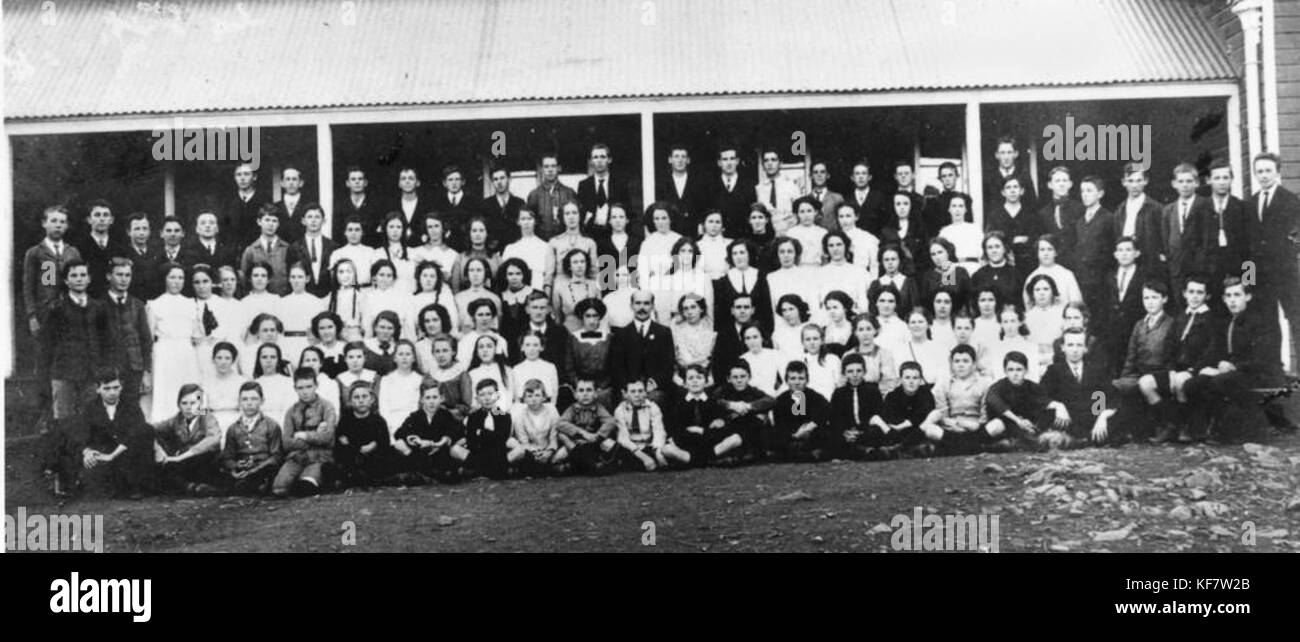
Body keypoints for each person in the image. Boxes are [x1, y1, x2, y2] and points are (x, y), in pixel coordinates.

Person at [1186, 278, 1297, 444]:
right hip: (1234, 373)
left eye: (1237, 295)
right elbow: (1214, 352)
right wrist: (1198, 369)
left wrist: (1232, 367)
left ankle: (1235, 430)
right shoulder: (1225, 323)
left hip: (1260, 373)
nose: (1232, 300)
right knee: (1194, 383)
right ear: (1223, 299)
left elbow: (1263, 358)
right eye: (1228, 296)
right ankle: (1207, 429)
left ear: (1248, 297)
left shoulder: (1260, 322)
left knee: (1222, 381)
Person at [1150, 274, 1222, 443]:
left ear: (1207, 296)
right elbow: (1169, 347)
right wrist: (1171, 369)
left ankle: (1183, 427)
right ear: (1184, 293)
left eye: (1199, 292)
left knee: (1181, 382)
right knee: (1146, 383)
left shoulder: (1211, 319)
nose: (1195, 296)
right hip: (1176, 368)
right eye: (1191, 292)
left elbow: (1211, 351)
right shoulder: (1180, 318)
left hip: (1196, 369)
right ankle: (1171, 423)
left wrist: (1192, 369)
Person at [1245, 152, 1300, 369]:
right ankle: (1273, 368)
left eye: (1268, 171)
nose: (1264, 175)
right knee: (1265, 322)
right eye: (1260, 171)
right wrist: (1248, 277)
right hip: (1260, 275)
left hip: (1285, 272)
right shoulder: (1250, 203)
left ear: (1277, 172)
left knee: (1296, 318)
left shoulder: (1290, 200)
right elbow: (1247, 246)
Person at [1111, 280, 1175, 443]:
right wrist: (1125, 377)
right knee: (1114, 386)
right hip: (1139, 373)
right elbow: (1131, 356)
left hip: (1160, 374)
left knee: (1143, 385)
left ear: (1164, 299)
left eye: (1154, 297)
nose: (1150, 302)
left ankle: (1168, 424)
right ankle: (1116, 430)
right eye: (1146, 298)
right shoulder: (1139, 324)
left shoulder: (1171, 324)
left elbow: (1171, 355)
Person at [79, 367, 153, 498]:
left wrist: (113, 455)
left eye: (116, 387)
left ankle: (133, 486)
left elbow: (138, 431)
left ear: (121, 387)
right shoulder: (90, 408)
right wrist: (87, 451)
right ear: (98, 389)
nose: (112, 393)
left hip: (125, 454)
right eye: (106, 389)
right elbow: (83, 434)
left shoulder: (131, 405)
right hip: (103, 454)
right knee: (92, 481)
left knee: (146, 429)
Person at [1039, 328, 1118, 448]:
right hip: (1067, 422)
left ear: (1085, 348)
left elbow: (1109, 396)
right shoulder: (1054, 371)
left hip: (1092, 421)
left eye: (1079, 345)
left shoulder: (1096, 370)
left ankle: (1081, 440)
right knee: (1049, 421)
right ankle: (1068, 440)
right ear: (1063, 347)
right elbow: (1040, 395)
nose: (1075, 350)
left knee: (1113, 420)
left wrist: (1102, 416)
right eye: (1070, 345)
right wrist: (1057, 405)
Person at [147, 264, 201, 422]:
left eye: (181, 278)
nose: (177, 282)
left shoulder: (191, 303)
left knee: (189, 388)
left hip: (186, 352)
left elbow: (196, 334)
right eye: (172, 277)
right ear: (165, 279)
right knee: (166, 392)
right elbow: (149, 337)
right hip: (165, 353)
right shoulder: (154, 304)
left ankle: (195, 427)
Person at [271, 367, 337, 496]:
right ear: (295, 388)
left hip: (319, 457)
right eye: (300, 388)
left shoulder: (326, 407)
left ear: (316, 385)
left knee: (305, 487)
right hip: (297, 457)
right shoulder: (291, 411)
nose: (305, 392)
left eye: (308, 386)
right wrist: (316, 437)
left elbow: (328, 438)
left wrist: (304, 436)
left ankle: (317, 478)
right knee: (279, 489)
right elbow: (287, 442)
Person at [921, 345, 996, 455]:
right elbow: (942, 414)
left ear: (974, 364)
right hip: (952, 429)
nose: (961, 365)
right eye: (957, 361)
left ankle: (952, 448)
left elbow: (984, 417)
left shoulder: (985, 383)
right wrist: (955, 424)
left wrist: (970, 425)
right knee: (931, 430)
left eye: (965, 361)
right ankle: (975, 447)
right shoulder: (943, 384)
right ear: (951, 364)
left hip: (976, 428)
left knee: (996, 426)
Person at [153, 383, 222, 495]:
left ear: (200, 403)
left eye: (193, 403)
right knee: (164, 467)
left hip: (204, 462)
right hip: (185, 464)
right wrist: (158, 449)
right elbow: (148, 429)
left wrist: (180, 457)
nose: (188, 408)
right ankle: (191, 488)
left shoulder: (206, 416)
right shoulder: (177, 419)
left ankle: (193, 487)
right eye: (184, 403)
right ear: (179, 404)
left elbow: (214, 438)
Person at [217, 381, 283, 495]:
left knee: (271, 471)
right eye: (245, 399)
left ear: (262, 401)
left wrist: (254, 470)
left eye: (254, 399)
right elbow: (228, 457)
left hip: (263, 469)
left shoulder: (271, 425)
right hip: (243, 469)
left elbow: (276, 456)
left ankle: (255, 485)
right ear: (239, 402)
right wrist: (235, 467)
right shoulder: (233, 428)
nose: (249, 403)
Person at [393, 381, 467, 482]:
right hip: (420, 453)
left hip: (439, 452)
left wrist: (443, 440)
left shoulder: (446, 415)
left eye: (434, 397)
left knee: (451, 456)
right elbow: (400, 432)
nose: (431, 401)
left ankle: (431, 474)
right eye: (427, 398)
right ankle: (423, 473)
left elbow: (456, 429)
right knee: (399, 445)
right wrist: (416, 440)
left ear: (441, 398)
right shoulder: (415, 416)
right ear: (422, 400)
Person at [609, 290, 676, 402]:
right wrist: (629, 387)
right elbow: (616, 367)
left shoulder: (663, 333)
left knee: (658, 398)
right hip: (629, 388)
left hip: (654, 389)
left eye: (646, 303)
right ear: (631, 306)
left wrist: (655, 383)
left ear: (653, 306)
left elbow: (668, 365)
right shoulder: (621, 334)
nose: (642, 307)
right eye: (638, 303)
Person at [665, 364, 737, 467]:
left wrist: (701, 430)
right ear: (685, 383)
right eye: (690, 378)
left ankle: (694, 461)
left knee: (735, 439)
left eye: (699, 377)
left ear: (706, 382)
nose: (695, 381)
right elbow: (676, 431)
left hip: (710, 445)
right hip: (687, 447)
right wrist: (695, 434)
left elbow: (721, 430)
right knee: (667, 449)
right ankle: (707, 460)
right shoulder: (679, 404)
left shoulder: (713, 402)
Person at [103, 258, 153, 406]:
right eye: (119, 274)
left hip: (134, 368)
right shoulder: (99, 304)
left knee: (130, 411)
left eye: (127, 275)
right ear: (109, 276)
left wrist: (146, 372)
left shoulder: (137, 305)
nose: (124, 279)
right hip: (109, 370)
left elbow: (146, 340)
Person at [1161, 164, 1210, 309]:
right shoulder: (1168, 210)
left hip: (1199, 270)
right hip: (1177, 271)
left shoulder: (1206, 205)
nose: (1185, 185)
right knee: (1180, 308)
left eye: (1189, 181)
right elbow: (1166, 241)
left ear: (1196, 183)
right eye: (1181, 181)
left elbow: (1207, 239)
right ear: (1174, 184)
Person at [1100, 236, 1149, 375]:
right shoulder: (1109, 276)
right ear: (1115, 254)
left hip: (1133, 327)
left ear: (1137, 253)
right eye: (1120, 250)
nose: (1124, 253)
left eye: (1128, 250)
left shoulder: (1143, 276)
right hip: (1113, 329)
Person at [984, 352, 1051, 449]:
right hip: (1005, 425)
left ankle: (1028, 440)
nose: (1015, 374)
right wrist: (1018, 420)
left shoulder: (1033, 387)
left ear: (1026, 370)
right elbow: (994, 401)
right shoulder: (998, 387)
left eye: (1019, 369)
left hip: (1027, 425)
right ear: (1005, 371)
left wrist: (1059, 407)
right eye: (1010, 370)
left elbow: (1044, 402)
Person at [333, 381, 394, 487]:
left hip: (373, 460)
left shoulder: (378, 421)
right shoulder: (345, 421)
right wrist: (361, 448)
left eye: (364, 396)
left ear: (372, 400)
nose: (361, 400)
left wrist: (374, 445)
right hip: (352, 459)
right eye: (356, 397)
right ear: (351, 401)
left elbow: (384, 445)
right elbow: (340, 445)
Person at [769, 361, 831, 460]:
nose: (797, 382)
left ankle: (798, 454)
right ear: (787, 380)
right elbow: (779, 424)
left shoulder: (814, 396)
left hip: (810, 434)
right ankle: (805, 454)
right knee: (771, 434)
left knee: (826, 433)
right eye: (793, 378)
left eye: (801, 378)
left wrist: (810, 426)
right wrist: (794, 435)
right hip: (791, 436)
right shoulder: (781, 400)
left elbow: (826, 410)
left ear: (807, 380)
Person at [1202, 161, 1247, 298]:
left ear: (1231, 180)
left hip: (1237, 275)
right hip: (1210, 276)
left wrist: (1248, 280)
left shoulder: (1242, 208)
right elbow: (1194, 246)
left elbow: (1250, 247)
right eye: (1217, 178)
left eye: (1226, 178)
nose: (1222, 182)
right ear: (1209, 180)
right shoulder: (1200, 209)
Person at [613, 378, 679, 471]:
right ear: (625, 394)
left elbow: (658, 430)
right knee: (623, 455)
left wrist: (657, 451)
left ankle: (657, 460)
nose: (637, 395)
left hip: (649, 445)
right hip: (632, 448)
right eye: (632, 391)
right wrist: (643, 457)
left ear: (646, 393)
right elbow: (623, 438)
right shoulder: (620, 410)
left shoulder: (653, 407)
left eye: (640, 391)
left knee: (666, 452)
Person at [1074, 176, 1118, 314]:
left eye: (1089, 190)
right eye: (1082, 191)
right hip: (1083, 279)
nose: (1085, 195)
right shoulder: (1080, 222)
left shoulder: (1109, 218)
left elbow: (1112, 248)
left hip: (1101, 280)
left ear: (1100, 194)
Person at [828, 354, 885, 460]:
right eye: (850, 371)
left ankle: (859, 450)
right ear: (844, 373)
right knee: (830, 434)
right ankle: (862, 451)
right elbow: (835, 417)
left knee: (876, 431)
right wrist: (845, 432)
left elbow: (878, 414)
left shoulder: (873, 390)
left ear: (864, 372)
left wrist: (860, 433)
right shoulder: (839, 393)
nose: (855, 375)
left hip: (865, 431)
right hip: (846, 432)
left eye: (858, 371)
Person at [556, 378, 618, 474]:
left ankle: (576, 466)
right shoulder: (572, 409)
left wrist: (597, 435)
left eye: (589, 390)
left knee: (611, 444)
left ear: (595, 394)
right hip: (576, 442)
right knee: (559, 457)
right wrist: (583, 433)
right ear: (575, 395)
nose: (585, 394)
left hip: (593, 442)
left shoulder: (598, 408)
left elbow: (610, 421)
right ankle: (590, 466)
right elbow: (560, 423)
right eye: (581, 391)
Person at [876, 361, 936, 457]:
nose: (911, 381)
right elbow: (891, 417)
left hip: (918, 431)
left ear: (921, 380)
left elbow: (926, 413)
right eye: (907, 378)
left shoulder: (926, 394)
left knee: (931, 421)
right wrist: (902, 425)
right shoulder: (893, 396)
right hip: (897, 432)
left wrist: (906, 424)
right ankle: (905, 449)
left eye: (915, 378)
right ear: (900, 380)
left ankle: (903, 449)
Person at [507, 379, 568, 474]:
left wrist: (549, 452)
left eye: (537, 395)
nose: (533, 399)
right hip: (531, 453)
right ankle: (547, 469)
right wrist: (535, 452)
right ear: (524, 399)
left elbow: (554, 437)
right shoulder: (520, 416)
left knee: (564, 451)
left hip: (549, 451)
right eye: (529, 396)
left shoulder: (551, 412)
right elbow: (523, 441)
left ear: (544, 397)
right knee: (521, 454)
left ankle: (548, 467)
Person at [1115, 163, 1165, 276]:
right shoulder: (1120, 210)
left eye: (1138, 180)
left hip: (1149, 263)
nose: (1134, 185)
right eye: (1131, 181)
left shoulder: (1155, 208)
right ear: (1124, 182)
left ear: (1145, 181)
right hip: (1127, 262)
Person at [714, 239, 773, 335]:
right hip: (731, 334)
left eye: (742, 253)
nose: (738, 257)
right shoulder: (723, 281)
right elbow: (721, 312)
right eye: (734, 253)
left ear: (749, 254)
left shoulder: (761, 277)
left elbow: (767, 309)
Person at [459, 379, 513, 478]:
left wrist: (481, 433)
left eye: (490, 394)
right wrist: (490, 435)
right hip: (479, 454)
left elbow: (501, 439)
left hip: (498, 454)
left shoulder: (503, 415)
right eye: (482, 395)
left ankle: (485, 470)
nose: (487, 398)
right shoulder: (473, 417)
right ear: (477, 399)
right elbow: (471, 441)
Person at [986, 175, 1043, 270]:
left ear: (1022, 191)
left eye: (1015, 187)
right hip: (1003, 262)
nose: (1012, 191)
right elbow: (991, 237)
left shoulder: (1031, 214)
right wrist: (1013, 240)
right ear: (1003, 192)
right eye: (1008, 187)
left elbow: (1037, 237)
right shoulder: (995, 215)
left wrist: (1027, 241)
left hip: (1027, 262)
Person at [277, 263, 326, 367]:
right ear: (289, 279)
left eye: (300, 277)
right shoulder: (281, 302)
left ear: (307, 279)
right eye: (293, 277)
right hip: (287, 344)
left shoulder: (316, 302)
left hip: (308, 343)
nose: (296, 280)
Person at [74, 200, 125, 298]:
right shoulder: (78, 248)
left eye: (105, 215)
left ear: (111, 220)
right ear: (89, 219)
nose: (102, 219)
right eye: (97, 215)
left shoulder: (120, 250)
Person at [577, 143, 632, 235]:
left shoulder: (620, 184)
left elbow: (628, 212)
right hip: (591, 234)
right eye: (595, 157)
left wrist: (626, 246)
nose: (599, 161)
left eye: (603, 157)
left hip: (615, 234)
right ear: (591, 161)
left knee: (623, 249)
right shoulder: (584, 185)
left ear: (609, 160)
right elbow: (581, 214)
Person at [239, 204, 293, 295]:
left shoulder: (287, 249)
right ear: (259, 222)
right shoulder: (251, 250)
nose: (270, 224)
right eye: (267, 220)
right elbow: (244, 279)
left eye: (274, 221)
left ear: (278, 224)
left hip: (282, 299)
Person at [1036, 166, 1083, 269]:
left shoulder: (1080, 209)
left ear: (1070, 184)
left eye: (1064, 180)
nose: (1061, 184)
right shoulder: (1043, 213)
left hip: (1076, 265)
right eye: (1057, 181)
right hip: (1051, 265)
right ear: (1050, 185)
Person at [636, 202, 684, 300]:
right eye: (656, 219)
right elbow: (642, 271)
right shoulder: (648, 242)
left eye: (664, 218)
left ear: (670, 219)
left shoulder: (680, 240)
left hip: (677, 287)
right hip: (655, 288)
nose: (660, 222)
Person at [524, 153, 578, 239]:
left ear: (559, 168)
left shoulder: (569, 193)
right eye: (546, 166)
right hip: (542, 244)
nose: (550, 170)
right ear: (542, 169)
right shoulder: (534, 195)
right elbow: (530, 223)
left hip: (566, 243)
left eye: (553, 166)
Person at [378, 340, 424, 437]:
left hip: (413, 424)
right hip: (390, 424)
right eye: (400, 354)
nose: (404, 357)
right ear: (395, 358)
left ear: (414, 358)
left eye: (408, 354)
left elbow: (417, 406)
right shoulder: (386, 380)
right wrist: (389, 427)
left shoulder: (419, 379)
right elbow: (384, 407)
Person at [593, 203, 641, 294]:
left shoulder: (636, 241)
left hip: (632, 289)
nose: (618, 220)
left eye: (621, 217)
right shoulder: (602, 243)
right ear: (609, 220)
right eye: (614, 217)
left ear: (627, 220)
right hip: (608, 289)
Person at [501, 208, 554, 292]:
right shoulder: (510, 248)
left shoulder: (545, 247)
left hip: (538, 289)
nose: (526, 222)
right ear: (518, 222)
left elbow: (548, 276)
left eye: (530, 219)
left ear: (535, 221)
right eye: (523, 219)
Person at [766, 237, 818, 321]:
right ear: (777, 254)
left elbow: (813, 305)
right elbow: (772, 307)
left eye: (790, 251)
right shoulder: (771, 278)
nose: (786, 255)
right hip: (780, 323)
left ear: (796, 254)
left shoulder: (806, 275)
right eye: (782, 252)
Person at [1023, 234, 1082, 308]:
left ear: (1056, 252)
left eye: (1050, 249)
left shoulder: (1067, 275)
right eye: (1042, 250)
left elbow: (1076, 302)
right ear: (1037, 253)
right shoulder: (1031, 277)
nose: (1046, 253)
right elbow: (1028, 305)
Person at [818, 232, 870, 315]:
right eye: (831, 245)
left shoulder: (860, 272)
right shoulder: (819, 273)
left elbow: (863, 302)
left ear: (846, 246)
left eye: (839, 244)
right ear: (826, 249)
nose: (835, 249)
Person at [290, 204, 336, 297]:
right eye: (310, 217)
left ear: (323, 221)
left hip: (327, 297)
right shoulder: (294, 247)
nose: (313, 220)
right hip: (303, 296)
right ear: (303, 221)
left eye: (317, 217)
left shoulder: (333, 247)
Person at [671, 293, 717, 385]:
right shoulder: (677, 332)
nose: (689, 312)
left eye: (693, 307)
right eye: (686, 308)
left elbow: (709, 359)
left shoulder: (711, 332)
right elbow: (682, 360)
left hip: (706, 378)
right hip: (682, 378)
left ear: (701, 309)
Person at [971, 232, 1023, 311]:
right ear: (985, 251)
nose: (994, 250)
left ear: (1004, 249)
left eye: (997, 246)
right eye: (990, 247)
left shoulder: (1015, 274)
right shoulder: (978, 275)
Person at [462, 335, 514, 414]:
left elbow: (509, 396)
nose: (485, 350)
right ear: (477, 352)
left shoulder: (506, 371)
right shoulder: (472, 374)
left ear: (495, 349)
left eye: (489, 346)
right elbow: (473, 400)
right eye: (481, 347)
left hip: (502, 414)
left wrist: (499, 413)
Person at [984, 136, 1038, 213]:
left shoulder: (1024, 176)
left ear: (1015, 154)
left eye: (1009, 152)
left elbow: (1032, 204)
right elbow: (986, 206)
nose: (1006, 157)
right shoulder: (989, 178)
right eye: (1002, 153)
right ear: (997, 155)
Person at [551, 249, 601, 331]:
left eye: (582, 261)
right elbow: (558, 317)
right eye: (575, 262)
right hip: (568, 334)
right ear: (569, 266)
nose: (579, 265)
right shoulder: (560, 287)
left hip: (590, 335)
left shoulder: (594, 286)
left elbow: (600, 315)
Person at [990, 304, 1041, 382]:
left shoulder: (1031, 347)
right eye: (1005, 322)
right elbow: (997, 375)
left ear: (1020, 322)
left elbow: (1033, 376)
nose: (1009, 326)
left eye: (1013, 321)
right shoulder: (996, 349)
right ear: (1001, 324)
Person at [204, 341, 247, 434]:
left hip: (237, 423)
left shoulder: (243, 382)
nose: (223, 362)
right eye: (219, 358)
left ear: (233, 360)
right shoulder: (204, 383)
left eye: (227, 358)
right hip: (211, 424)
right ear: (213, 359)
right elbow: (199, 411)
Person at [1024, 274, 1065, 371]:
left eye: (1046, 289)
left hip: (1058, 363)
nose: (1041, 293)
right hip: (1033, 364)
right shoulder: (1026, 317)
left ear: (1053, 292)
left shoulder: (1062, 315)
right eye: (1037, 290)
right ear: (1032, 293)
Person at [449, 217, 502, 292]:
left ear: (487, 233)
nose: (478, 234)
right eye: (474, 231)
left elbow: (500, 285)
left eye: (481, 230)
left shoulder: (496, 259)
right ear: (469, 233)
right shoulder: (460, 258)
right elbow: (455, 286)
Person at [897, 307, 947, 387]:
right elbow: (898, 376)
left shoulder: (940, 348)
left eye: (920, 322)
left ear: (929, 324)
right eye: (913, 322)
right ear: (908, 326)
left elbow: (943, 376)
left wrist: (933, 394)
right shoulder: (900, 350)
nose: (917, 325)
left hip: (933, 393)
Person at [252, 343, 297, 430]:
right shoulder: (254, 384)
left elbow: (290, 411)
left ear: (278, 360)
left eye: (273, 357)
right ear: (259, 360)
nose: (268, 360)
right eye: (264, 357)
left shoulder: (289, 383)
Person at [920, 237, 971, 314]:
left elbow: (968, 300)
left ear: (948, 252)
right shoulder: (928, 276)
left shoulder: (960, 272)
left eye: (940, 252)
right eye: (933, 254)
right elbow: (925, 304)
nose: (937, 257)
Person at [881, 193, 929, 275]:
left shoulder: (920, 228)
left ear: (911, 206)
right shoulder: (886, 231)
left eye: (906, 204)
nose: (902, 207)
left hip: (917, 275)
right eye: (898, 204)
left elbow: (925, 254)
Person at [478, 166, 525, 248]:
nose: (499, 182)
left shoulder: (519, 203)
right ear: (492, 182)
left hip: (515, 249)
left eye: (502, 178)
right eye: (495, 179)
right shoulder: (485, 205)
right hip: (493, 251)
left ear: (509, 179)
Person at [334, 166, 382, 244]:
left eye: (360, 179)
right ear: (347, 183)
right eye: (353, 179)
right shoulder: (341, 206)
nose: (357, 182)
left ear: (365, 183)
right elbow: (338, 232)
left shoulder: (375, 205)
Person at [868, 245, 920, 316]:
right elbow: (872, 310)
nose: (890, 263)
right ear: (882, 262)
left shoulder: (909, 283)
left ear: (900, 260)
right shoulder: (875, 285)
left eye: (893, 259)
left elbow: (915, 309)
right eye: (886, 259)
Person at [457, 298, 510, 367]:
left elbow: (504, 366)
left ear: (492, 317)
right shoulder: (465, 341)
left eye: (488, 314)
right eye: (480, 315)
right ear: (473, 317)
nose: (484, 318)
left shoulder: (500, 340)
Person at [937, 194, 982, 274]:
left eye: (961, 206)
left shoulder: (975, 229)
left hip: (973, 269)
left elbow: (982, 254)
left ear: (965, 209)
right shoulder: (944, 232)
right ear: (949, 209)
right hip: (952, 270)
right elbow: (943, 259)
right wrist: (948, 280)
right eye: (954, 206)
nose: (957, 209)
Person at [832, 202, 880, 276]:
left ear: (856, 217)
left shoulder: (868, 238)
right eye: (841, 216)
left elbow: (874, 266)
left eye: (848, 216)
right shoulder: (833, 238)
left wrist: (873, 285)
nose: (844, 220)